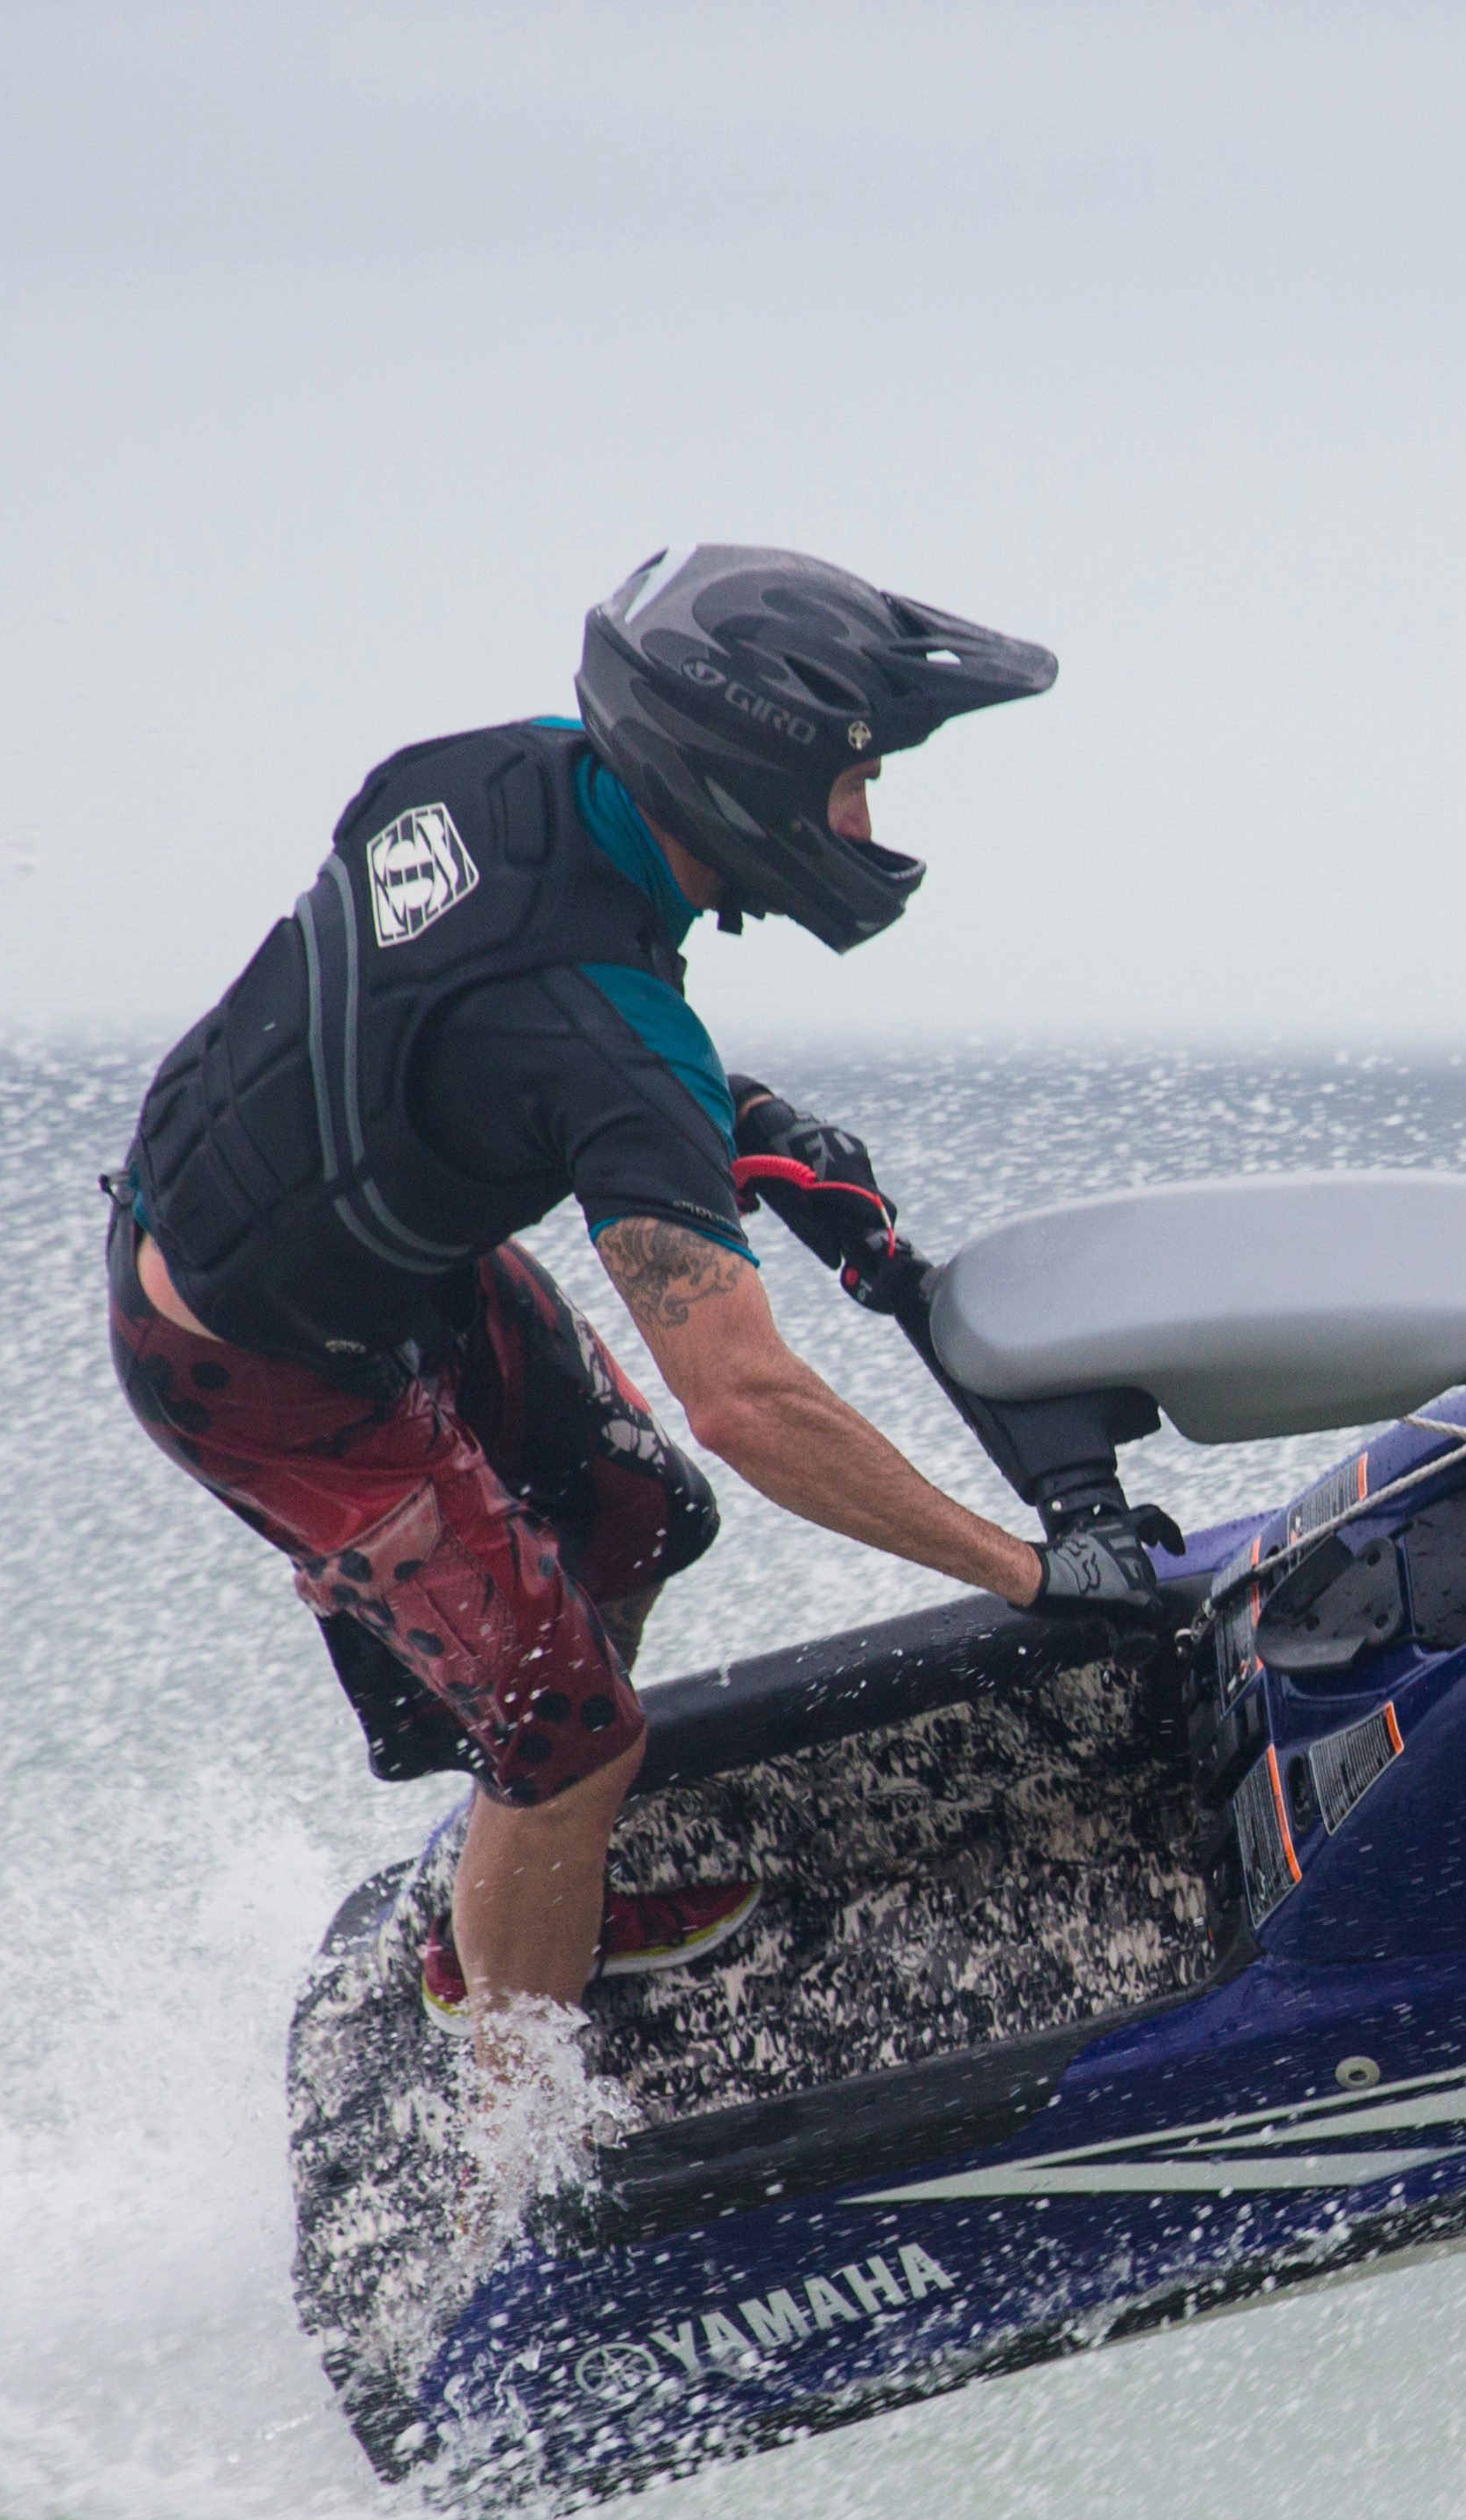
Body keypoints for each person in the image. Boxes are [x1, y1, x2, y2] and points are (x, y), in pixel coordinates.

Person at [106, 545, 1176, 2145]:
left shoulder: (497, 772)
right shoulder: (610, 1038)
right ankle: (509, 2136)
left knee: (641, 1515)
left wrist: (729, 1121)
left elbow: (484, 1018)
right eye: (850, 783)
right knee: (572, 1730)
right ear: (740, 780)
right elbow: (746, 1395)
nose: (865, 825)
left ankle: (521, 1872)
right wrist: (1025, 1572)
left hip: (370, 1261)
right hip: (251, 1369)